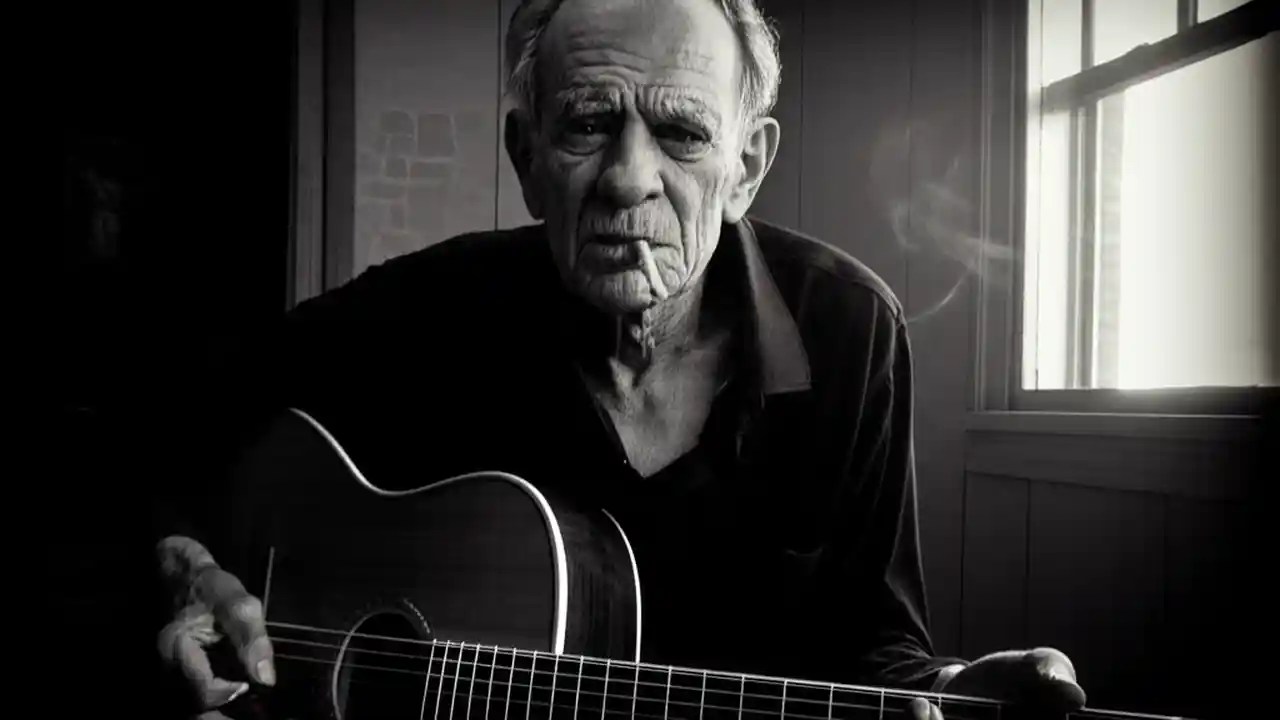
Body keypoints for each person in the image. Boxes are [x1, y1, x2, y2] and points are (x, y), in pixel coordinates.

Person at [149, 0, 1087, 718]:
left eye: (681, 133)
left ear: (747, 169)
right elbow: (178, 419)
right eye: (588, 122)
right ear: (525, 156)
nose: (630, 178)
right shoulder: (428, 308)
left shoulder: (851, 331)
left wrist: (952, 686)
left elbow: (879, 650)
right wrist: (187, 568)